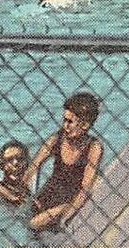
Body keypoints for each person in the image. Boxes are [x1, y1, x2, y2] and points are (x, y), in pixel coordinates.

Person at [28, 92, 105, 233]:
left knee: (34, 224)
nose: (65, 126)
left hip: (69, 200)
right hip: (48, 196)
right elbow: (34, 166)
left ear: (85, 125)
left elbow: (86, 188)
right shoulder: (57, 139)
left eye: (70, 122)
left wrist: (68, 214)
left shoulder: (93, 147)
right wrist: (28, 191)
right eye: (64, 120)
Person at [0, 141, 33, 206]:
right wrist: (11, 197)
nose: (15, 163)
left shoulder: (28, 190)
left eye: (20, 159)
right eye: (9, 160)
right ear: (1, 165)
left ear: (27, 164)